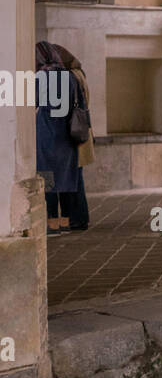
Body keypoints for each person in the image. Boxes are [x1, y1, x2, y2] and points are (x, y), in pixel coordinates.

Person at [35, 41, 80, 234]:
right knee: (67, 178)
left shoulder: (40, 76)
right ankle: (65, 222)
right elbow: (80, 103)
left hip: (46, 133)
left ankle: (52, 223)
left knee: (48, 179)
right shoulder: (70, 77)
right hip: (68, 134)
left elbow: (32, 101)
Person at [54, 45, 93, 230]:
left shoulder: (70, 77)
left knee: (74, 182)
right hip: (79, 133)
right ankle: (78, 218)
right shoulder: (79, 73)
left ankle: (78, 219)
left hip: (73, 134)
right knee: (75, 180)